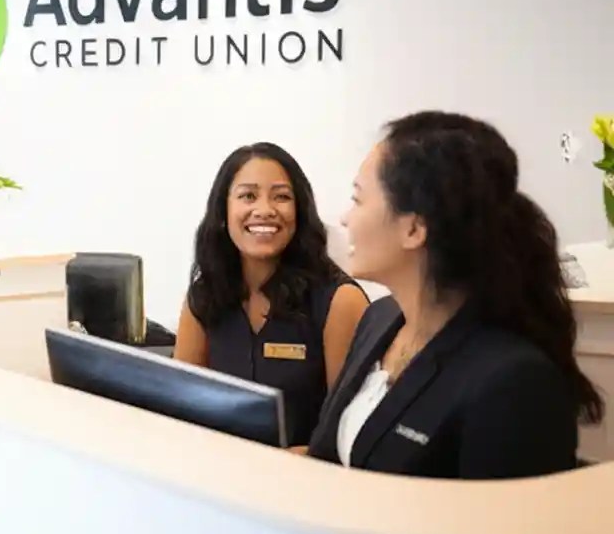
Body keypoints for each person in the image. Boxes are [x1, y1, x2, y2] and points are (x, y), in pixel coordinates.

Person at [306, 111, 605, 478]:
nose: (345, 218)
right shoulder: (379, 319)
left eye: (358, 199)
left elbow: (501, 530)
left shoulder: (514, 383)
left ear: (414, 228)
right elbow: (326, 459)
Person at [174, 142, 369, 448]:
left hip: (304, 482)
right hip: (217, 474)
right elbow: (180, 410)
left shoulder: (340, 301)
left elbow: (346, 435)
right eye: (247, 196)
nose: (264, 210)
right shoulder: (204, 297)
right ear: (223, 212)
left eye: (281, 197)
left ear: (299, 212)